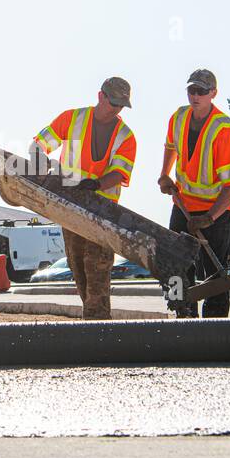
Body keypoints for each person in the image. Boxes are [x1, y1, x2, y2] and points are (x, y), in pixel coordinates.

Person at [32, 77, 137, 319]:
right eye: (113, 103)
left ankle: (97, 325)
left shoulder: (125, 136)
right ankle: (94, 321)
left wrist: (97, 184)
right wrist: (41, 165)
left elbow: (119, 173)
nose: (116, 109)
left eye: (121, 105)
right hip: (70, 209)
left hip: (102, 213)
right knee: (78, 266)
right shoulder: (72, 119)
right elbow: (39, 144)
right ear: (100, 96)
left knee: (97, 267)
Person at [158, 69, 230, 317]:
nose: (195, 96)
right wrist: (165, 174)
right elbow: (170, 145)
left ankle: (215, 323)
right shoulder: (179, 117)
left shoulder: (223, 129)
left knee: (214, 272)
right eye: (192, 90)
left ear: (213, 93)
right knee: (174, 263)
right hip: (184, 204)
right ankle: (181, 312)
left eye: (201, 91)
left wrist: (210, 217)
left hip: (215, 210)